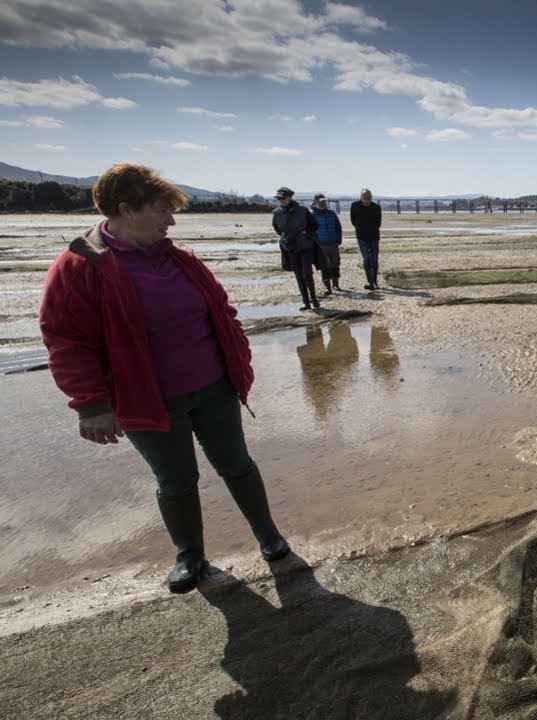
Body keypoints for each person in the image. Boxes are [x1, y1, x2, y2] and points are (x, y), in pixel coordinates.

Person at [38, 162, 290, 595]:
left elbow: (222, 311)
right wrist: (91, 405)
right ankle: (189, 555)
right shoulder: (80, 267)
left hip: (214, 388)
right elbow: (66, 340)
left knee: (237, 463)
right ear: (126, 210)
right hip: (146, 399)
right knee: (176, 480)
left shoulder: (181, 259)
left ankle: (268, 534)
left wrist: (240, 359)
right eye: (161, 210)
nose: (170, 221)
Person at [272, 186, 320, 311]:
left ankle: (314, 298)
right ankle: (306, 302)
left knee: (307, 274)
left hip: (305, 246)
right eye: (279, 198)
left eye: (283, 198)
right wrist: (285, 237)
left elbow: (314, 225)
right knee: (298, 275)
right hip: (290, 247)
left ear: (289, 197)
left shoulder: (303, 210)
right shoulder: (276, 213)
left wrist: (306, 232)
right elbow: (276, 227)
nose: (281, 200)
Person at [310, 193, 344, 295]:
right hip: (321, 245)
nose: (323, 203)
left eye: (324, 201)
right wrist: (316, 243)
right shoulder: (312, 215)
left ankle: (336, 284)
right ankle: (327, 287)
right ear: (315, 202)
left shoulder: (331, 213)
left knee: (335, 264)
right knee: (324, 266)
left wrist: (338, 240)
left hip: (333, 243)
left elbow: (338, 227)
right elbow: (311, 231)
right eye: (320, 202)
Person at [350, 188, 383, 290]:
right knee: (366, 259)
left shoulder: (376, 207)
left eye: (368, 198)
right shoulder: (355, 206)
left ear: (371, 198)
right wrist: (360, 228)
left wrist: (372, 228)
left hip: (374, 236)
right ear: (361, 198)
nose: (366, 200)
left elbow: (378, 222)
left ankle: (375, 282)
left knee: (374, 259)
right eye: (364, 198)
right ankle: (370, 281)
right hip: (361, 236)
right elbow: (353, 220)